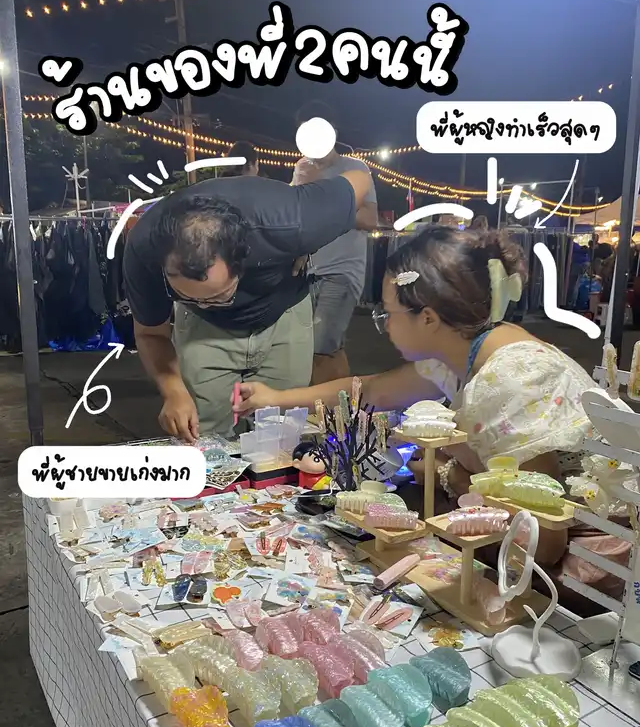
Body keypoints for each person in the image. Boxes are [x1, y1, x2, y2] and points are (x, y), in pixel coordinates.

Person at [235, 224, 630, 604]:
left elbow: (543, 540)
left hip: (593, 559)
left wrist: (450, 475)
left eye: (388, 313)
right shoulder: (467, 348)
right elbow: (371, 390)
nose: (385, 326)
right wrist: (275, 397)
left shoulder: (510, 378)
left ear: (427, 317)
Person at [124, 168, 373, 441]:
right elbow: (150, 333)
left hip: (283, 312)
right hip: (202, 330)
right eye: (187, 296)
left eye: (218, 296)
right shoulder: (144, 249)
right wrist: (173, 391)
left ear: (244, 258)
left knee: (280, 435)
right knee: (202, 436)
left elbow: (360, 179)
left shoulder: (291, 220)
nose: (206, 305)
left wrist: (307, 244)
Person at [292, 102, 378, 384]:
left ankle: (326, 405)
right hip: (308, 272)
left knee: (321, 345)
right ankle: (345, 404)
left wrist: (322, 190)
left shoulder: (355, 169)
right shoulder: (301, 168)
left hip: (342, 271)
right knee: (323, 347)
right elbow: (297, 215)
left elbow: (370, 219)